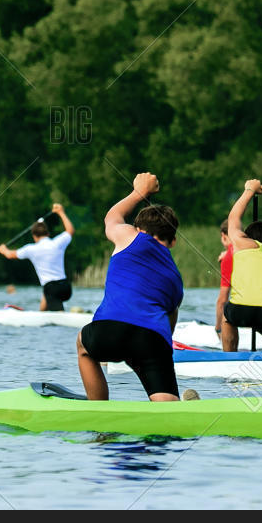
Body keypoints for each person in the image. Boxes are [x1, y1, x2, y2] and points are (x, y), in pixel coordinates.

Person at [75, 172, 185, 401]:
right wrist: (157, 356)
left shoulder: (129, 236)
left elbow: (112, 218)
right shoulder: (176, 280)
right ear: (173, 241)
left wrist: (138, 193)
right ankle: (169, 403)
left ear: (138, 229)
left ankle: (98, 411)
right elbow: (170, 320)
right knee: (166, 402)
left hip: (107, 331)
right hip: (152, 337)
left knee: (83, 346)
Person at [215, 179, 262, 352]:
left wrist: (250, 190)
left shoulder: (243, 244)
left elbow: (234, 218)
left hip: (241, 310)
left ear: (247, 237)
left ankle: (229, 357)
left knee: (227, 316)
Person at [0, 203, 74, 311]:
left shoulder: (31, 249)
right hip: (66, 288)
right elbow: (70, 230)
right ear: (47, 233)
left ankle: (59, 314)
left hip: (52, 289)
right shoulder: (57, 243)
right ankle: (41, 313)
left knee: (56, 309)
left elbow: (10, 255)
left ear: (34, 236)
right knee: (46, 295)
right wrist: (61, 212)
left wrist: (2, 249)